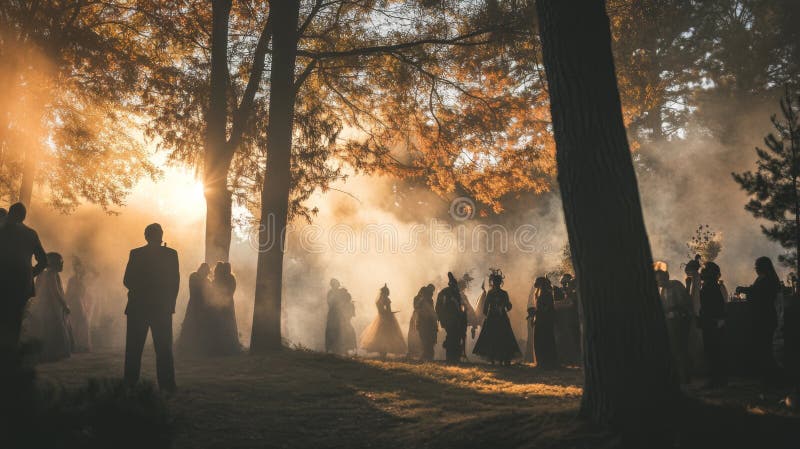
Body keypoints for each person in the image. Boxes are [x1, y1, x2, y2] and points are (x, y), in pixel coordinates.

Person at [123, 223, 179, 392]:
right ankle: (167, 386)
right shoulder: (171, 254)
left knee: (133, 349)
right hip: (161, 308)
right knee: (164, 350)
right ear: (160, 236)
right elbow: (175, 282)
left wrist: (141, 289)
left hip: (137, 307)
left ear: (146, 236)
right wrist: (170, 304)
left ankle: (130, 384)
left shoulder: (136, 253)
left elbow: (127, 280)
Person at [0, 202, 47, 352]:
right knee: (16, 319)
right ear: (24, 217)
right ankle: (12, 351)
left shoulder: (3, 231)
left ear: (10, 214)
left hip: (3, 281)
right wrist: (31, 273)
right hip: (23, 284)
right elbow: (44, 261)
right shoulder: (31, 233)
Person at [736, 256, 781, 385]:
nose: (755, 269)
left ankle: (772, 377)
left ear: (762, 267)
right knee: (764, 348)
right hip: (765, 318)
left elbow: (758, 292)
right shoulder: (768, 278)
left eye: (757, 266)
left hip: (765, 318)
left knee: (765, 349)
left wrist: (743, 289)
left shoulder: (767, 280)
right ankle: (770, 377)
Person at [25, 252, 72, 362]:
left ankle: (46, 352)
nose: (62, 265)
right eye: (61, 262)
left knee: (46, 328)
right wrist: (64, 305)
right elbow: (55, 292)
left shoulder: (44, 274)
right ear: (54, 263)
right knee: (53, 328)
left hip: (44, 305)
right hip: (51, 306)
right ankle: (52, 353)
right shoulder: (52, 275)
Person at [654, 262, 692, 384]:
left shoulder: (676, 286)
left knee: (681, 350)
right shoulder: (663, 290)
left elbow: (684, 304)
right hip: (671, 323)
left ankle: (685, 377)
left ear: (666, 277)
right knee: (675, 351)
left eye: (659, 279)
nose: (659, 282)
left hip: (680, 322)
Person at [473, 269, 520, 365]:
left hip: (496, 318)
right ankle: (497, 359)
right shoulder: (499, 293)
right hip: (498, 318)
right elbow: (487, 307)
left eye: (496, 282)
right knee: (498, 338)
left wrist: (489, 315)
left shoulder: (496, 293)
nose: (496, 284)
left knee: (497, 338)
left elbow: (486, 308)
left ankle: (496, 359)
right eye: (496, 282)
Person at [360, 284, 407, 357]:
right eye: (388, 291)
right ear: (387, 292)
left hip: (380, 317)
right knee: (389, 335)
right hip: (387, 318)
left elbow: (381, 310)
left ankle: (381, 352)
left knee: (379, 335)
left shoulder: (378, 299)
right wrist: (393, 312)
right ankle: (384, 352)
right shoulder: (387, 299)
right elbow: (388, 310)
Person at [700, 262, 727, 388]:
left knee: (713, 351)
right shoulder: (713, 286)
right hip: (713, 322)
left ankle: (716, 380)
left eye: (703, 271)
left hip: (712, 323)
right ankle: (718, 379)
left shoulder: (709, 286)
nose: (701, 273)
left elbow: (715, 306)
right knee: (715, 351)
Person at [176, 263, 211, 356]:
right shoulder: (194, 276)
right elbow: (198, 290)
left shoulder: (203, 279)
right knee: (191, 323)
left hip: (200, 305)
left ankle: (195, 346)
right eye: (206, 272)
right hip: (195, 303)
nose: (207, 274)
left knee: (197, 324)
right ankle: (186, 345)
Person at [209, 262, 241, 355]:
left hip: (223, 304)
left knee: (224, 324)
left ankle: (223, 347)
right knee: (227, 323)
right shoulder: (229, 278)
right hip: (226, 304)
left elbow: (217, 291)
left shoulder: (225, 279)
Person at [436, 272, 468, 363]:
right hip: (448, 320)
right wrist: (441, 317)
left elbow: (461, 307)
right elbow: (438, 307)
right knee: (451, 337)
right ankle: (450, 357)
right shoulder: (444, 293)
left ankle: (455, 357)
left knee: (456, 337)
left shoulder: (456, 293)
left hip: (456, 320)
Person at [65, 256, 92, 352]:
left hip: (80, 301)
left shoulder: (81, 280)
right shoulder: (72, 280)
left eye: (79, 266)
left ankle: (81, 345)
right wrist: (67, 302)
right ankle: (76, 345)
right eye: (76, 266)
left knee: (82, 322)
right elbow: (69, 292)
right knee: (76, 322)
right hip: (75, 302)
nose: (77, 268)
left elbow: (84, 292)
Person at [530, 276, 558, 369]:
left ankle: (546, 362)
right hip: (540, 319)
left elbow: (546, 308)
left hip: (545, 320)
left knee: (544, 340)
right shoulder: (539, 293)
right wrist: (534, 315)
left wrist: (535, 312)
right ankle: (542, 362)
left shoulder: (547, 294)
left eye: (537, 282)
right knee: (539, 340)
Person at [684, 255, 705, 374]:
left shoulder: (695, 279)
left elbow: (693, 298)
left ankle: (698, 368)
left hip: (695, 312)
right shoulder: (697, 277)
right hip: (696, 312)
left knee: (696, 340)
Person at [325, 278, 357, 355]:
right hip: (333, 314)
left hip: (340, 314)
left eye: (336, 284)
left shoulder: (341, 292)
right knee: (333, 330)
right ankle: (333, 348)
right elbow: (330, 303)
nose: (335, 285)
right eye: (333, 284)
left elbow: (346, 299)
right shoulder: (330, 293)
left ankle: (344, 348)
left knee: (342, 330)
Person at [414, 284, 438, 361]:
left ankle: (428, 356)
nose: (432, 294)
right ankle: (426, 356)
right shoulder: (421, 300)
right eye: (431, 292)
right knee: (425, 339)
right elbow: (417, 308)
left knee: (429, 339)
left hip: (429, 322)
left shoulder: (430, 300)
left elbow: (432, 310)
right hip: (423, 321)